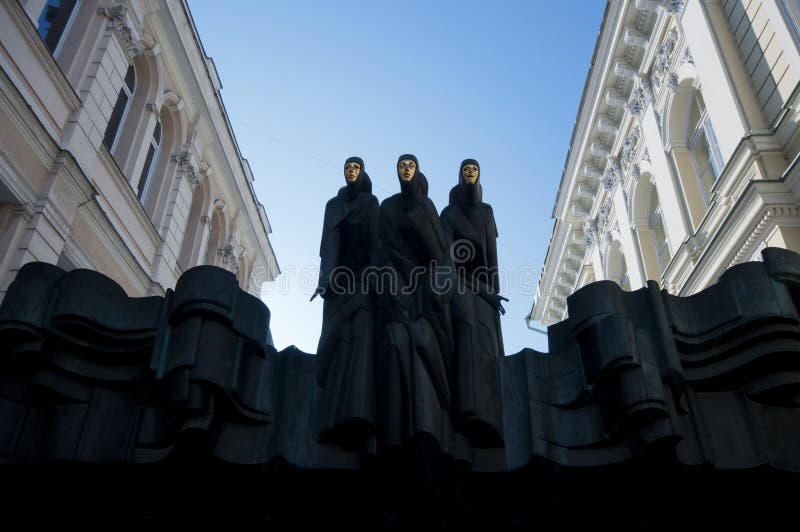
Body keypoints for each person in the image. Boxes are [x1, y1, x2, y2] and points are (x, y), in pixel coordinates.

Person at [375, 154, 455, 454]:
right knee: (396, 338)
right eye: (401, 166)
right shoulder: (387, 208)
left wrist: (435, 287)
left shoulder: (426, 207)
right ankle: (395, 427)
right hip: (397, 284)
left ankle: (432, 414)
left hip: (426, 288)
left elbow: (441, 256)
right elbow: (383, 250)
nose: (406, 170)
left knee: (423, 337)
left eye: (410, 166)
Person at [313, 156, 379, 450]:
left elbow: (378, 244)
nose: (351, 172)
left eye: (356, 168)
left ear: (362, 173)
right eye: (347, 168)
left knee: (361, 335)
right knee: (337, 340)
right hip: (338, 284)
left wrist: (374, 274)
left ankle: (359, 413)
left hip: (364, 279)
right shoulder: (333, 205)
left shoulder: (371, 203)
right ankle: (330, 417)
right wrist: (325, 279)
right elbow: (328, 243)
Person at [440, 159, 506, 448]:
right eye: (466, 170)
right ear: (459, 176)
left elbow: (492, 258)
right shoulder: (449, 214)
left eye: (474, 170)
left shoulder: (487, 212)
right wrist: (477, 288)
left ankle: (490, 412)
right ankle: (467, 408)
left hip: (486, 292)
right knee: (466, 327)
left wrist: (494, 294)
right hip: (459, 286)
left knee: (487, 341)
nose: (470, 173)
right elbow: (447, 259)